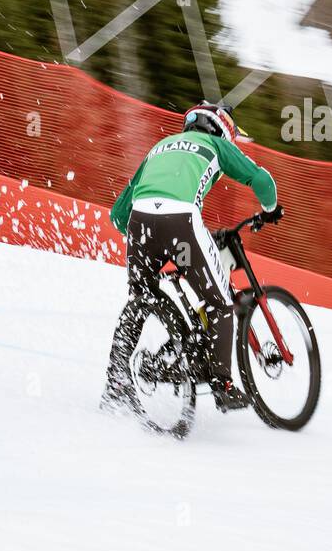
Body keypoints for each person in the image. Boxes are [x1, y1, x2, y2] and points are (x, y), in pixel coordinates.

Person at [104, 101, 282, 412]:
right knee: (219, 301)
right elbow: (262, 180)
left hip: (140, 225)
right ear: (223, 129)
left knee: (140, 299)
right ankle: (223, 384)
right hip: (180, 223)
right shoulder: (215, 145)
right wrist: (270, 210)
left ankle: (116, 382)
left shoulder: (159, 147)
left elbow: (118, 215)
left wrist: (148, 237)